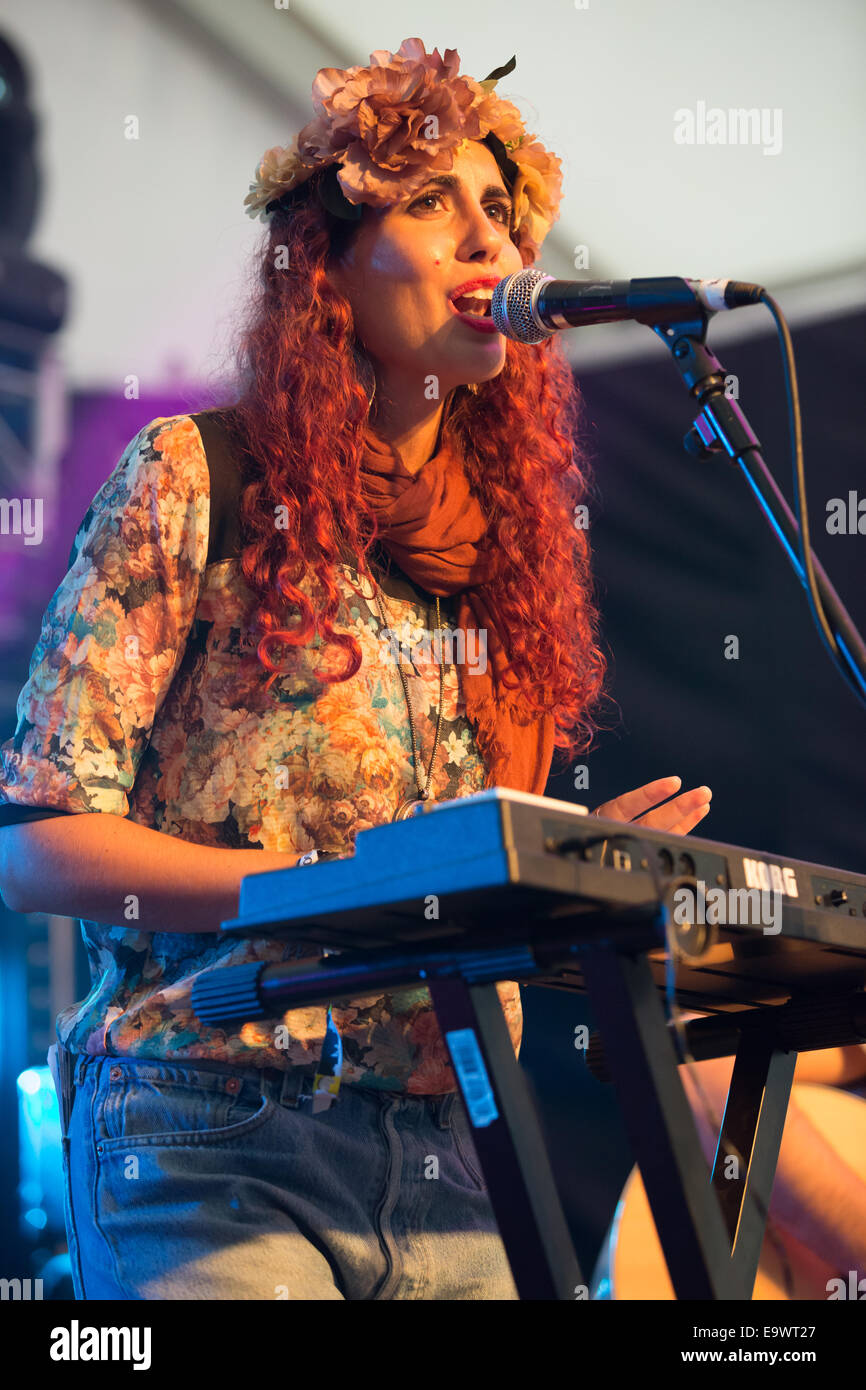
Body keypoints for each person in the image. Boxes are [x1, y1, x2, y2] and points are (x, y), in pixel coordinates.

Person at [0, 37, 711, 1300]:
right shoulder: (195, 475)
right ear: (325, 263)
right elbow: (34, 847)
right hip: (209, 1130)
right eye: (433, 201)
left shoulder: (508, 558)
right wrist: (311, 889)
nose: (488, 241)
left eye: (501, 210)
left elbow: (451, 897)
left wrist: (564, 865)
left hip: (448, 1155)